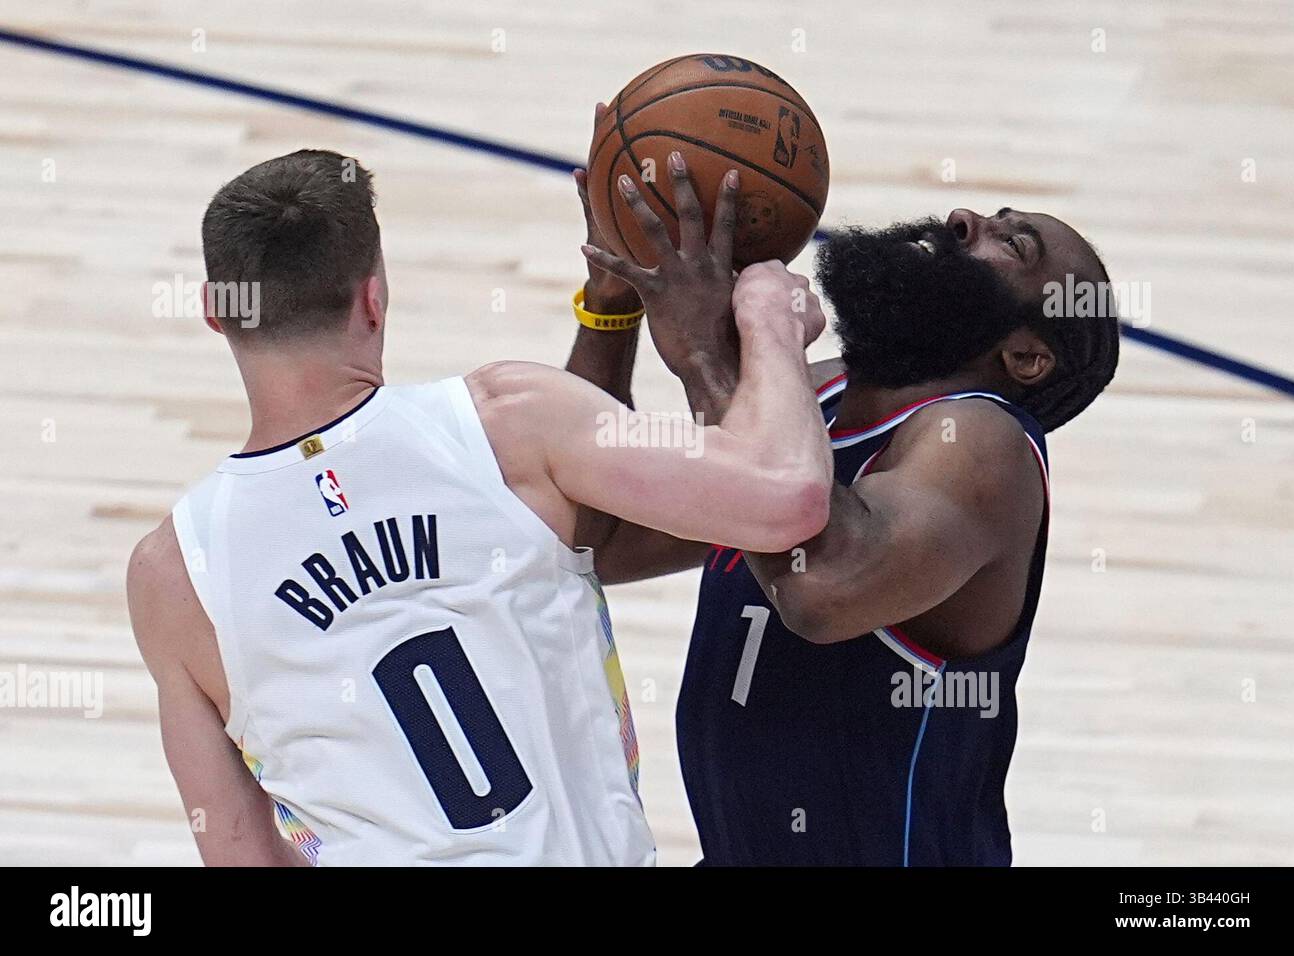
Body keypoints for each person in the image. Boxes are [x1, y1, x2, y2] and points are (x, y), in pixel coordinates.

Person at [125, 148, 833, 866]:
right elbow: (788, 497)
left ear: (217, 315)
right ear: (374, 297)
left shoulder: (174, 576)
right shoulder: (509, 421)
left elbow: (240, 853)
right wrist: (769, 321)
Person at [569, 135, 1120, 865]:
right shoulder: (813, 395)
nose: (961, 219)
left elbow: (820, 588)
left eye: (1010, 244)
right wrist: (613, 306)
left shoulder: (985, 444)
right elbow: (595, 540)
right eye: (990, 215)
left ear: (1024, 355)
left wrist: (708, 351)